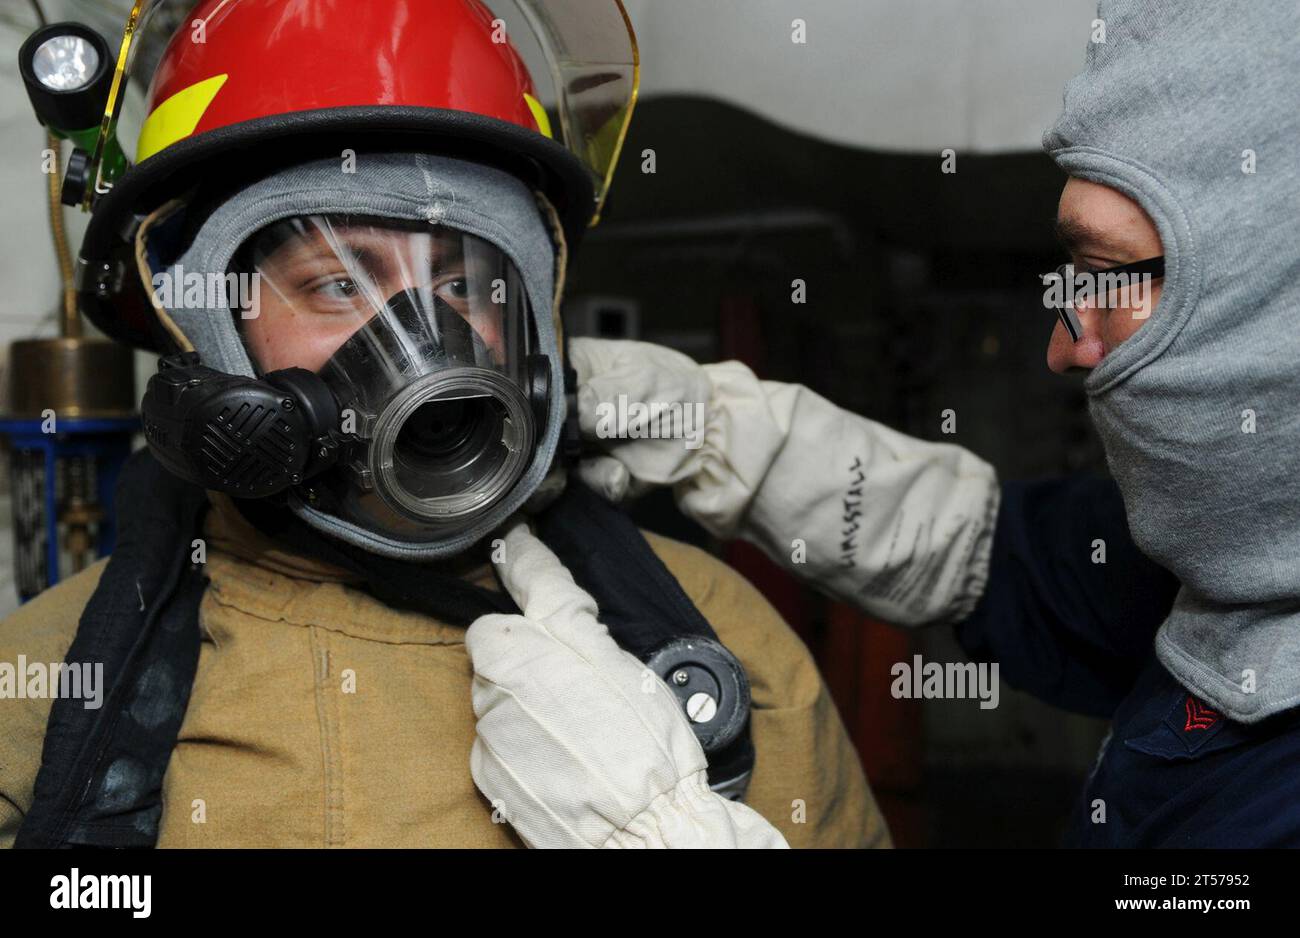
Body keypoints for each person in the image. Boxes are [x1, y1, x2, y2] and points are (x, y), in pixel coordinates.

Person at [0, 0, 887, 849]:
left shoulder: (720, 644)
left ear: (532, 321)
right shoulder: (43, 694)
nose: (422, 341)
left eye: (463, 285)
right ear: (204, 330)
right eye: (338, 283)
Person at [470, 0, 1300, 847]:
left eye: (1107, 275)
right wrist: (719, 433)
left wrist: (658, 833)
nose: (1061, 343)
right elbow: (986, 552)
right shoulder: (1228, 574)